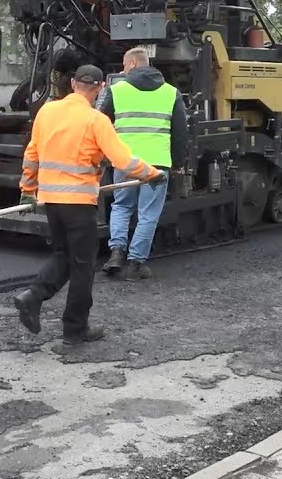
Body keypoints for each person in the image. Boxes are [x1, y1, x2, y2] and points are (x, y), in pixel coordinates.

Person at [11, 65, 168, 345]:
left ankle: (32, 297)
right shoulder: (96, 120)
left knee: (64, 255)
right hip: (78, 203)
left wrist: (28, 189)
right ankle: (75, 329)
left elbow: (31, 154)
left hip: (51, 202)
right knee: (83, 266)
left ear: (72, 83)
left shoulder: (46, 112)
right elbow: (123, 161)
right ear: (99, 88)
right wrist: (152, 174)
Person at [99, 47, 188, 280]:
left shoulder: (116, 90)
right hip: (157, 165)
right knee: (148, 214)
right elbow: (180, 133)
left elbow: (100, 125)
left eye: (124, 65)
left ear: (133, 64)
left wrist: (103, 156)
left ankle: (116, 253)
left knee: (121, 206)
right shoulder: (171, 92)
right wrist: (179, 162)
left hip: (125, 161)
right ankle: (135, 264)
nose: (122, 69)